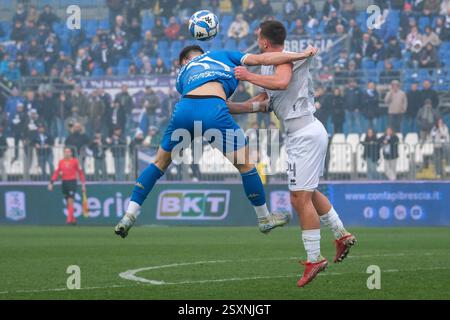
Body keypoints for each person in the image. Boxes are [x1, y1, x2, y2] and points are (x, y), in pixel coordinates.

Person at [114, 42, 319, 238]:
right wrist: (302, 54)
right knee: (246, 166)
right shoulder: (222, 54)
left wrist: (253, 107)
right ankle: (264, 217)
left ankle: (129, 215)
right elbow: (264, 59)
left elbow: (205, 98)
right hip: (213, 109)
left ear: (185, 61)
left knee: (158, 163)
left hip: (184, 110)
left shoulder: (182, 75)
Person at [227, 20, 355, 288]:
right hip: (305, 131)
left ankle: (314, 258)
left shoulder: (282, 61)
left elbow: (282, 82)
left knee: (298, 199)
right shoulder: (267, 65)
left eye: (257, 35)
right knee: (309, 191)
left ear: (264, 41)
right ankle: (341, 234)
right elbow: (263, 103)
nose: (256, 39)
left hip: (304, 132)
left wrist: (247, 75)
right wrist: (230, 108)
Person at [48, 147, 86, 225]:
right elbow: (56, 172)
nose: (67, 153)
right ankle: (73, 219)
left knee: (70, 200)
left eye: (68, 152)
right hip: (64, 183)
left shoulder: (75, 161)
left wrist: (83, 184)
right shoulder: (61, 162)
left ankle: (68, 220)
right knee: (68, 202)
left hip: (72, 182)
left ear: (71, 153)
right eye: (65, 152)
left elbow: (80, 172)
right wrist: (51, 183)